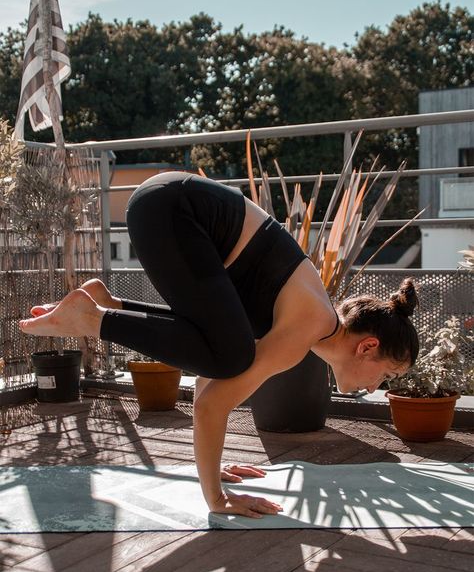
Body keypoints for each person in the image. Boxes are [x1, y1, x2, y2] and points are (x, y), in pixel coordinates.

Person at [19, 171, 419, 518]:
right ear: (367, 347)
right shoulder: (306, 327)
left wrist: (210, 463)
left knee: (226, 351)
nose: (377, 386)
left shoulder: (305, 318)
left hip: (166, 204)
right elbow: (213, 402)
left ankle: (108, 305)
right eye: (387, 373)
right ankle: (93, 319)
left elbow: (207, 380)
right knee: (231, 356)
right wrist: (217, 497)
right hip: (175, 211)